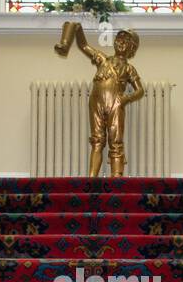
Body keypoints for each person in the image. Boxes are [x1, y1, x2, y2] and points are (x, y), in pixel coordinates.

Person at [54, 22, 144, 177]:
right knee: (97, 141)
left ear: (132, 49)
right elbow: (83, 45)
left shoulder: (129, 69)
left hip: (116, 103)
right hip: (96, 103)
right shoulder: (103, 59)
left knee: (115, 143)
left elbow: (140, 90)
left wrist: (126, 99)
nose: (121, 42)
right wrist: (76, 28)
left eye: (126, 41)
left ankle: (117, 178)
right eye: (119, 38)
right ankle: (92, 178)